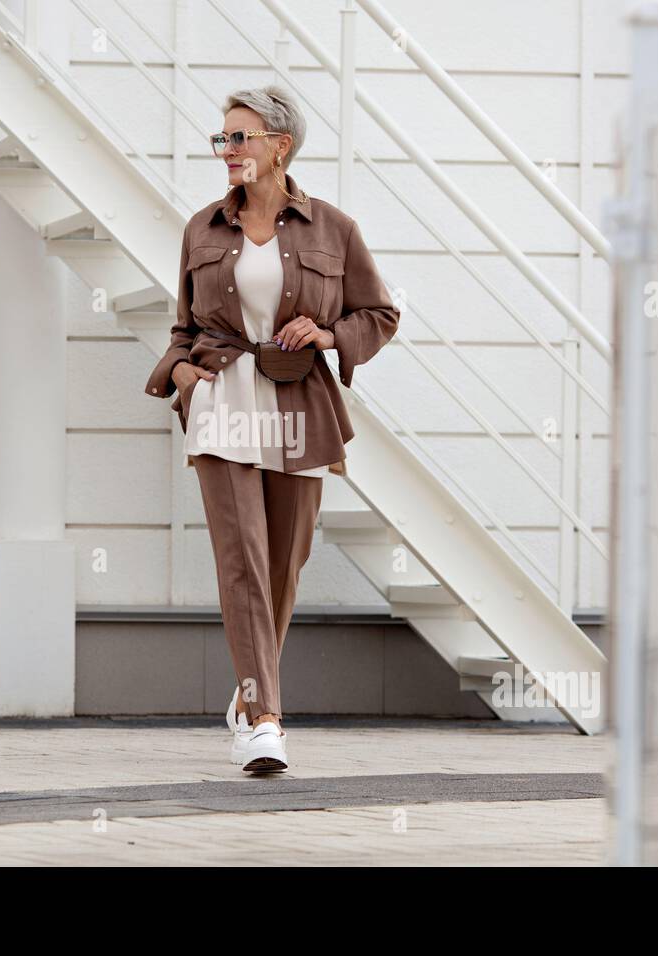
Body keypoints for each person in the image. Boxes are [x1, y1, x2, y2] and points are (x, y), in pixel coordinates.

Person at [143, 85, 399, 772]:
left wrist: (325, 331)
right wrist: (180, 371)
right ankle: (264, 719)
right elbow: (183, 328)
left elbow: (379, 315)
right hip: (222, 398)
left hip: (299, 406)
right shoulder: (202, 228)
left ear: (278, 146)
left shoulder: (333, 229)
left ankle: (250, 688)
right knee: (244, 561)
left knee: (285, 565)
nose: (226, 151)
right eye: (221, 139)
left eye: (239, 138)